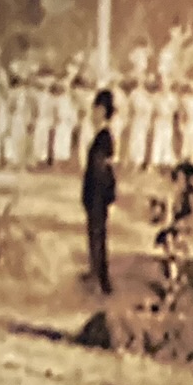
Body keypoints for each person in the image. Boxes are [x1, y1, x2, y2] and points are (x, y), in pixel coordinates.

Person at [82, 89, 117, 295]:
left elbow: (101, 170)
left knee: (97, 236)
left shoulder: (104, 138)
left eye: (95, 110)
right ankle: (98, 275)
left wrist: (99, 195)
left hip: (97, 195)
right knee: (96, 235)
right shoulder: (101, 136)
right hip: (96, 195)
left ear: (102, 111)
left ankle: (100, 278)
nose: (92, 115)